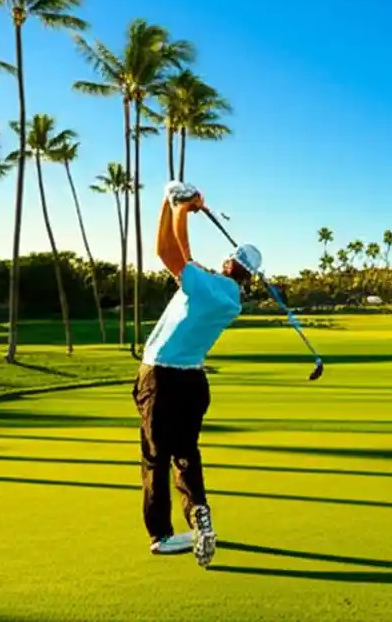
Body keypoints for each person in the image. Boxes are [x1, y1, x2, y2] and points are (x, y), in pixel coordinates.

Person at [134, 181, 260, 567]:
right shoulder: (228, 297)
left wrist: (181, 207)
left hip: (161, 377)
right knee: (185, 454)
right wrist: (171, 205)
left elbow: (165, 252)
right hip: (192, 382)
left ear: (230, 264)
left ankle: (162, 535)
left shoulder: (207, 284)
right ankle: (198, 511)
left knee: (155, 457)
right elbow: (178, 254)